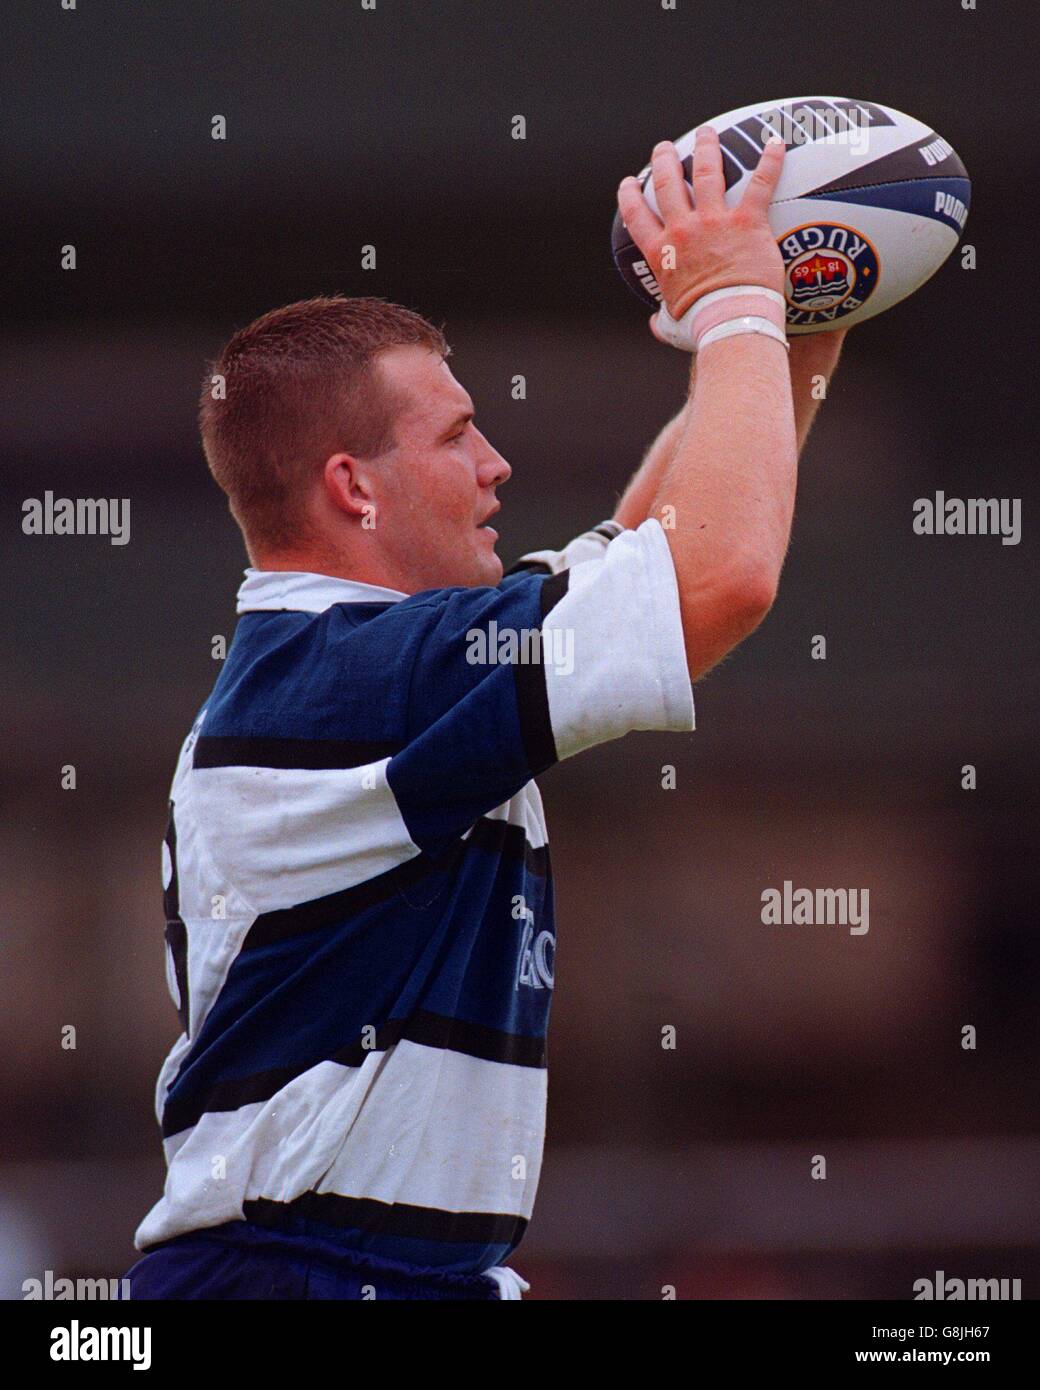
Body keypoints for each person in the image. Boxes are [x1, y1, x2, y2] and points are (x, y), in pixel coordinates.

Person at [126, 128, 845, 1300]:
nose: (497, 463)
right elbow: (717, 577)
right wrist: (733, 311)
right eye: (459, 434)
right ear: (353, 487)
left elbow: (654, 550)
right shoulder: (363, 681)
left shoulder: (360, 663)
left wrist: (795, 323)